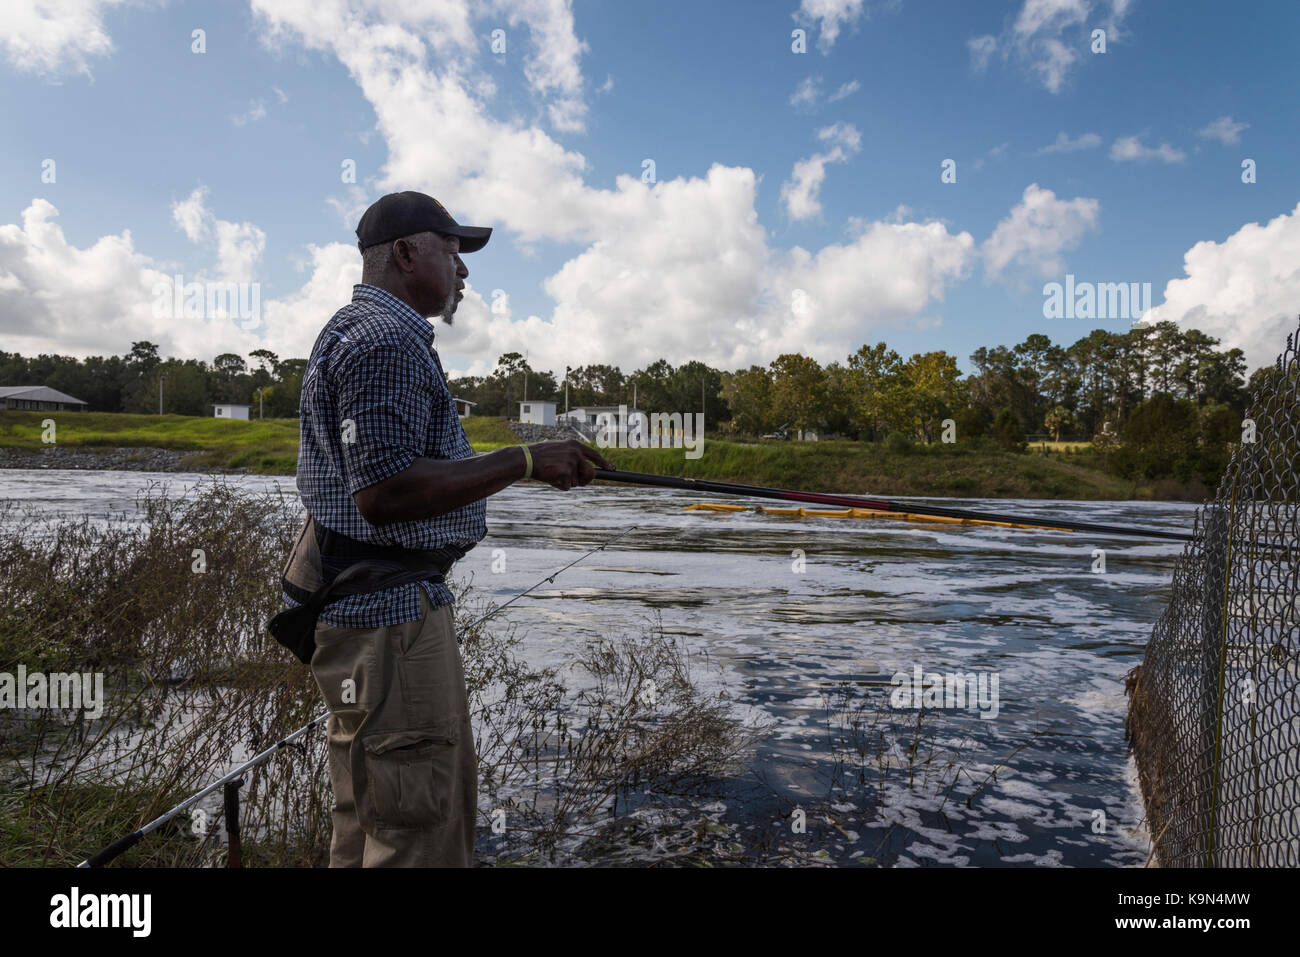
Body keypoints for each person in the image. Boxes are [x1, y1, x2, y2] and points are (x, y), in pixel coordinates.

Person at [292, 190, 610, 867]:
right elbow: (386, 491)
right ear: (406, 253)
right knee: (418, 835)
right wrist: (525, 458)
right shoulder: (385, 340)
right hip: (392, 630)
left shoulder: (354, 331)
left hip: (367, 623)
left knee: (367, 822)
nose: (464, 271)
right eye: (452, 251)